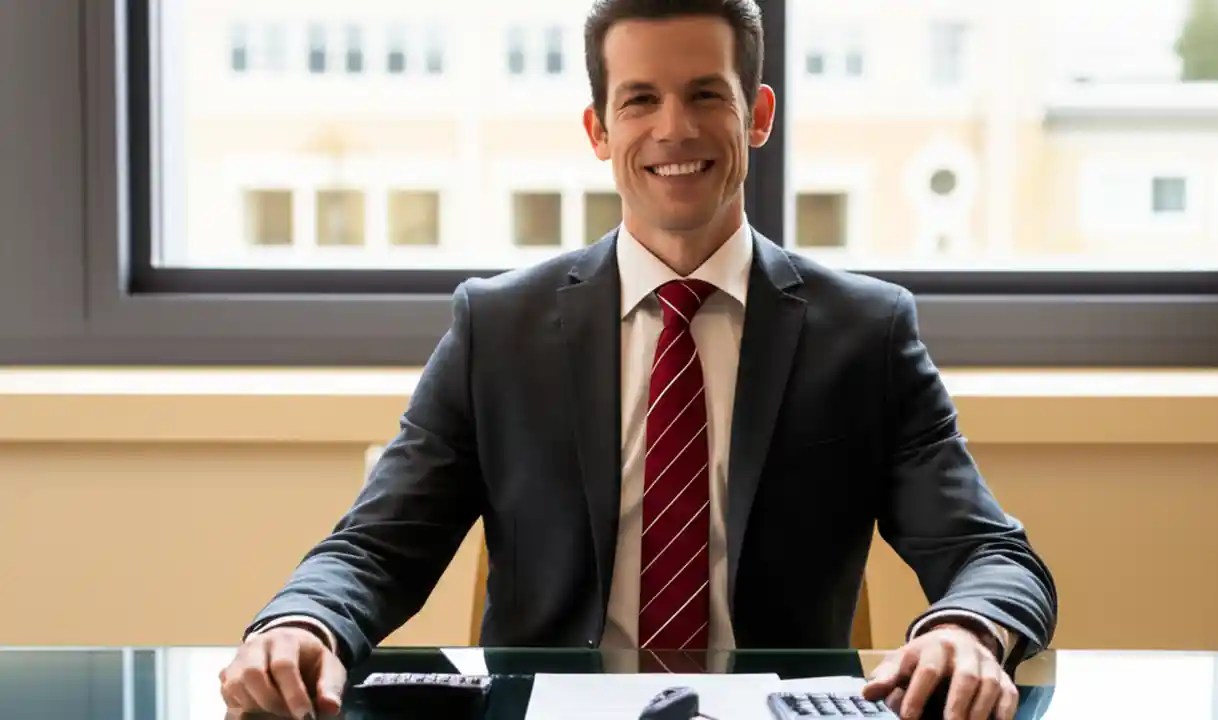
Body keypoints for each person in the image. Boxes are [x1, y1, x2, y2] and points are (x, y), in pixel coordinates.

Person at [219, 1, 1056, 719]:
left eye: (706, 95)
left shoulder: (865, 333)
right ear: (599, 128)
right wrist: (300, 624)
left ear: (758, 115)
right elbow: (374, 548)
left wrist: (966, 629)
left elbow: (992, 555)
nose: (674, 129)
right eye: (641, 99)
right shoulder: (497, 329)